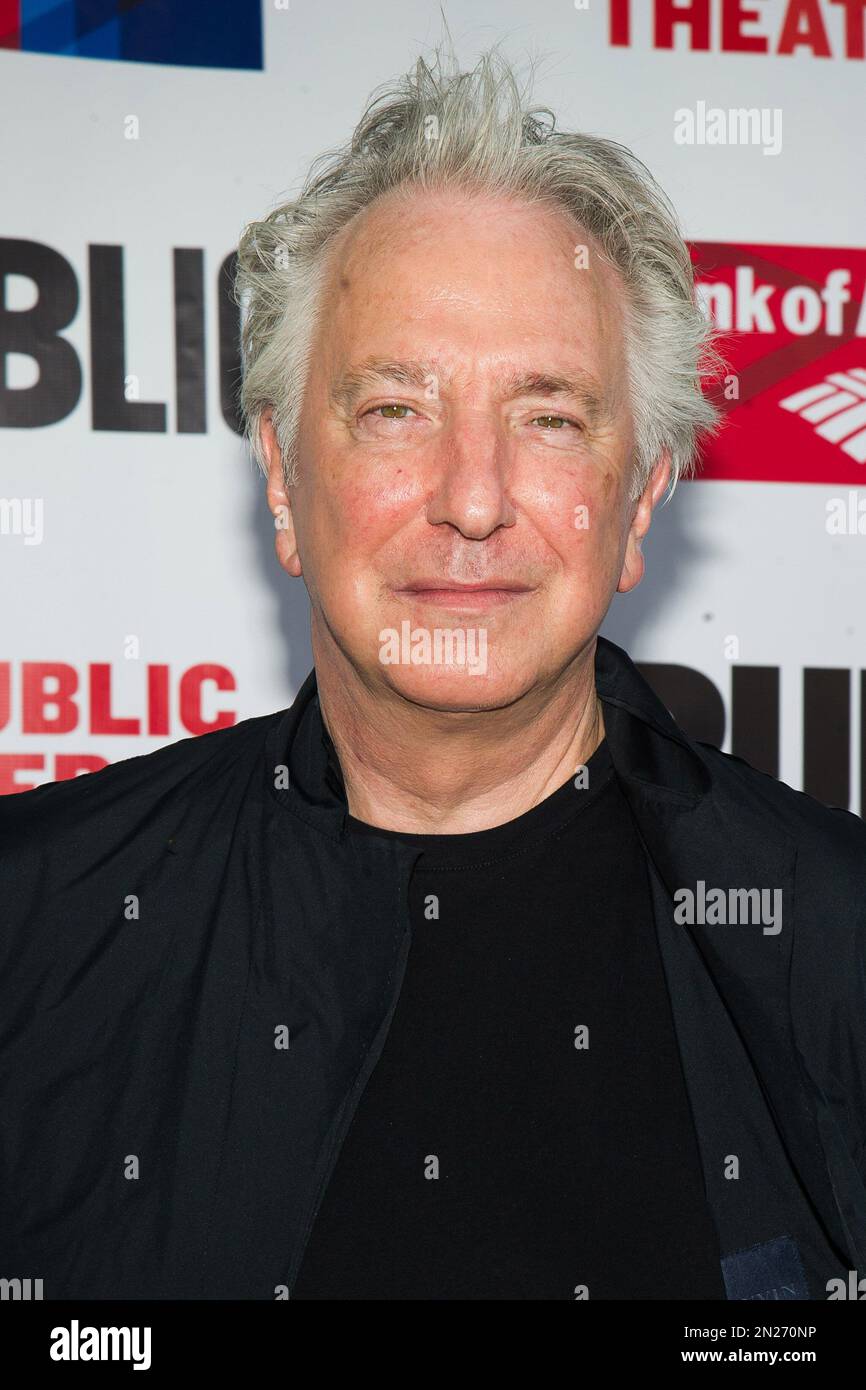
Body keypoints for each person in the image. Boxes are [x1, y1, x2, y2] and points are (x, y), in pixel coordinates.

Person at [2, 43, 865, 1302]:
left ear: (638, 501)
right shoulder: (36, 923)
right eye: (395, 409)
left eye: (548, 417)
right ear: (282, 476)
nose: (471, 497)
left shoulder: (831, 940)